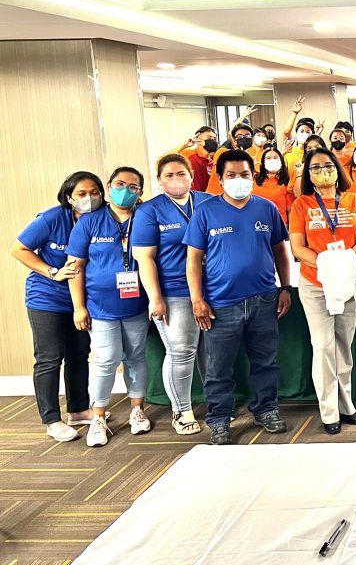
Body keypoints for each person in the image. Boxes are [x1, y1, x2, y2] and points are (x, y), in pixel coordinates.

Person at [184, 150, 292, 445]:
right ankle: (219, 418)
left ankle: (266, 409)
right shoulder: (206, 212)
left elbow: (281, 251)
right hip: (221, 304)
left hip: (264, 299)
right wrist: (197, 299)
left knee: (266, 362)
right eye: (231, 175)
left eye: (244, 175)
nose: (239, 180)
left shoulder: (267, 208)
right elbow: (193, 260)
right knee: (218, 367)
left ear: (252, 176)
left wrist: (285, 288)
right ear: (219, 179)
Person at [12, 172, 103, 442]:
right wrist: (52, 271)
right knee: (50, 357)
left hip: (80, 300)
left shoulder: (100, 220)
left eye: (95, 192)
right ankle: (52, 420)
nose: (89, 198)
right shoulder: (52, 218)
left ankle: (78, 409)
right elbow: (19, 249)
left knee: (78, 353)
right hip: (46, 298)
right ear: (68, 197)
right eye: (82, 194)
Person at [66, 167, 152, 447]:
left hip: (138, 305)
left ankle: (137, 410)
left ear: (140, 192)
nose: (125, 189)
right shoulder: (90, 221)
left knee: (136, 356)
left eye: (133, 186)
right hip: (100, 307)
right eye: (119, 184)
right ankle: (99, 416)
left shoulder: (145, 218)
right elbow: (75, 267)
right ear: (109, 187)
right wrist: (79, 306)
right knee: (105, 360)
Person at [290, 148, 356, 433]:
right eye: (315, 168)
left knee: (342, 345)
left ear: (338, 169)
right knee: (323, 346)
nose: (322, 171)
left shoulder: (355, 200)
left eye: (328, 165)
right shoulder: (301, 204)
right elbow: (297, 247)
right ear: (308, 175)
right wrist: (326, 262)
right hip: (316, 283)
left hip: (348, 280)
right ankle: (328, 411)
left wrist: (346, 259)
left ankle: (346, 402)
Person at [133, 155, 211, 436]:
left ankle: (216, 403)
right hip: (173, 292)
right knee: (181, 351)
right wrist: (155, 297)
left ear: (192, 175)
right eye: (168, 175)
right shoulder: (150, 211)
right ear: (159, 180)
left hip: (210, 289)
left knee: (209, 351)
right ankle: (182, 410)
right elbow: (145, 258)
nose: (176, 179)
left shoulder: (208, 201)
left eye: (181, 173)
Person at [252, 147, 293, 225]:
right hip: (255, 225)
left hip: (278, 226)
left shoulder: (286, 181)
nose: (272, 160)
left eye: (275, 158)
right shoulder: (254, 178)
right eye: (268, 158)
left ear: (281, 161)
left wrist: (290, 232)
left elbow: (289, 209)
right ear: (263, 162)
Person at [187, 127, 219, 192]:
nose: (212, 141)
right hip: (195, 198)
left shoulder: (216, 158)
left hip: (211, 198)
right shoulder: (188, 155)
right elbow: (162, 160)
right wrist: (184, 145)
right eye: (209, 138)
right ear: (197, 139)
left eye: (214, 139)